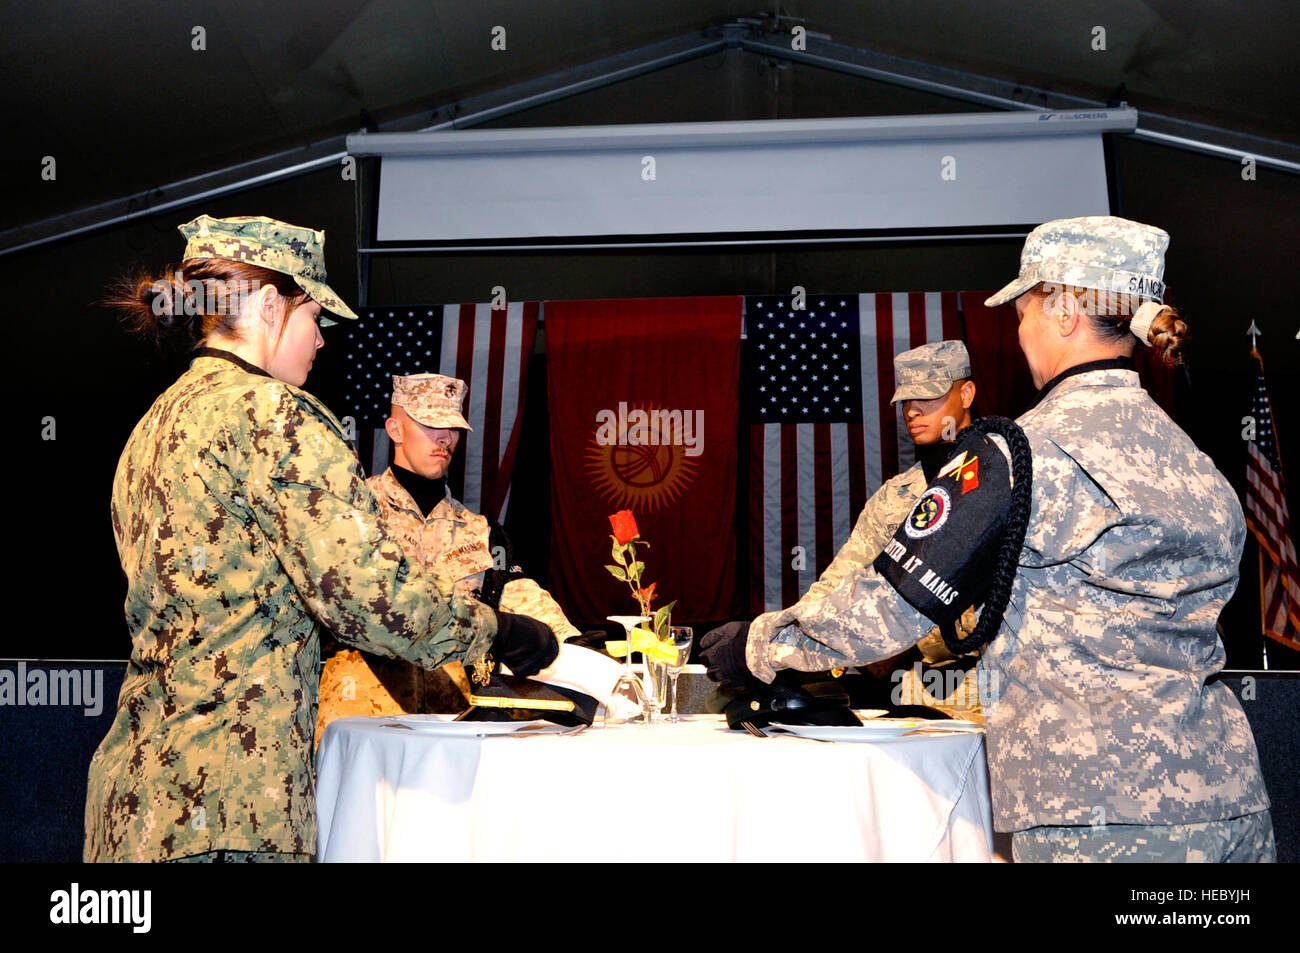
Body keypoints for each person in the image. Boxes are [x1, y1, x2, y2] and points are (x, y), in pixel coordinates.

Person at [703, 216, 1274, 862]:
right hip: (1233, 805)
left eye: (1025, 308)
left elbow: (891, 604)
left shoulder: (1018, 457)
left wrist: (758, 644)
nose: (1019, 327)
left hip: (1105, 822)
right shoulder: (1194, 464)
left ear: (1064, 310)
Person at [86, 214, 557, 863]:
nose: (320, 340)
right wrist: (496, 631)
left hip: (134, 806)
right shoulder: (276, 418)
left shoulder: (151, 429)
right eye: (312, 315)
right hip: (230, 814)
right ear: (269, 305)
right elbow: (372, 598)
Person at [317, 372, 581, 736]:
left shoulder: (479, 529)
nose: (446, 438)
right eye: (430, 424)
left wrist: (575, 646)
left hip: (448, 725)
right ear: (395, 429)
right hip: (361, 718)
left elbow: (523, 598)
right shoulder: (352, 512)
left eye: (453, 428)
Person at [747, 340, 984, 714]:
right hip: (914, 696)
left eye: (929, 396)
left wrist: (901, 633)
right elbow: (838, 582)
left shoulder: (1000, 476)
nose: (913, 411)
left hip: (994, 690)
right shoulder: (895, 497)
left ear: (966, 393)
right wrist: (776, 639)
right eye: (906, 400)